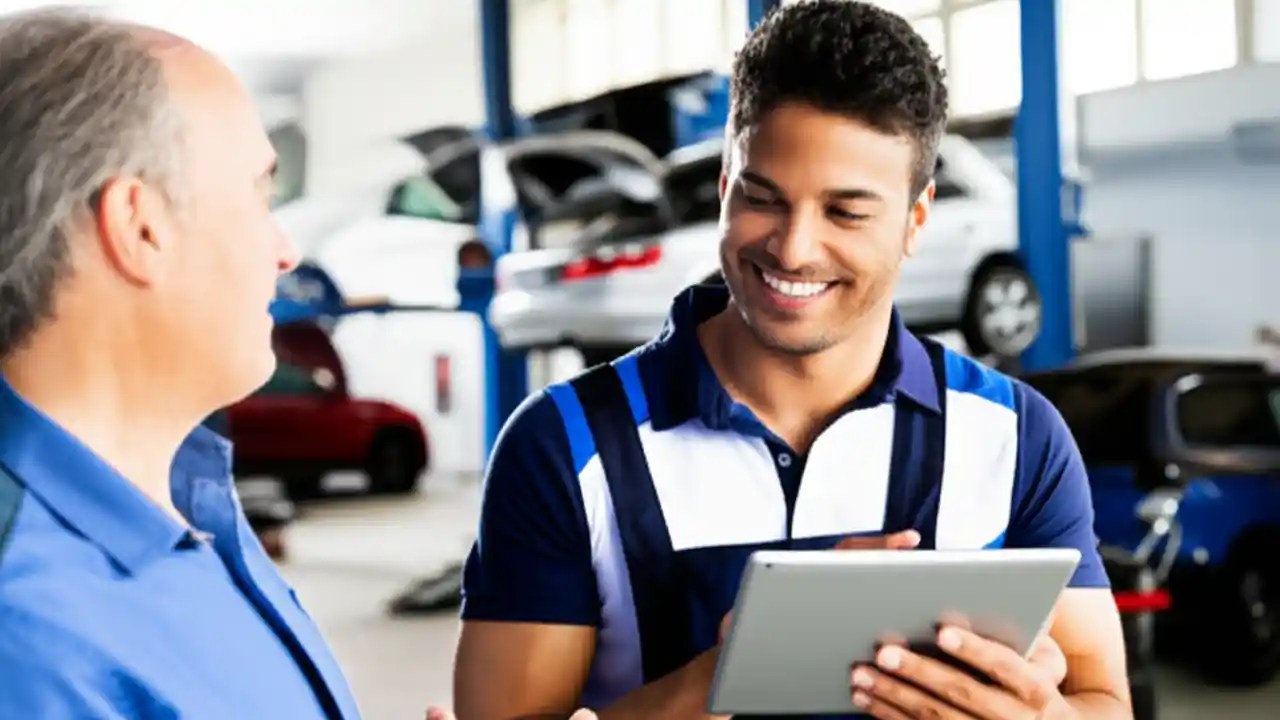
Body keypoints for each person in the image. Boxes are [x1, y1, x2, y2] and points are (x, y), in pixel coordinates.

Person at [453, 2, 1132, 719]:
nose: (794, 248)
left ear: (916, 220)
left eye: (846, 213)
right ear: (725, 187)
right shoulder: (563, 446)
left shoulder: (1015, 437)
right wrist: (735, 671)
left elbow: (1102, 702)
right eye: (763, 197)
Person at [0, 10, 361, 718]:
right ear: (140, 227)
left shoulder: (188, 506)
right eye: (259, 194)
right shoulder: (29, 640)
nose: (285, 250)